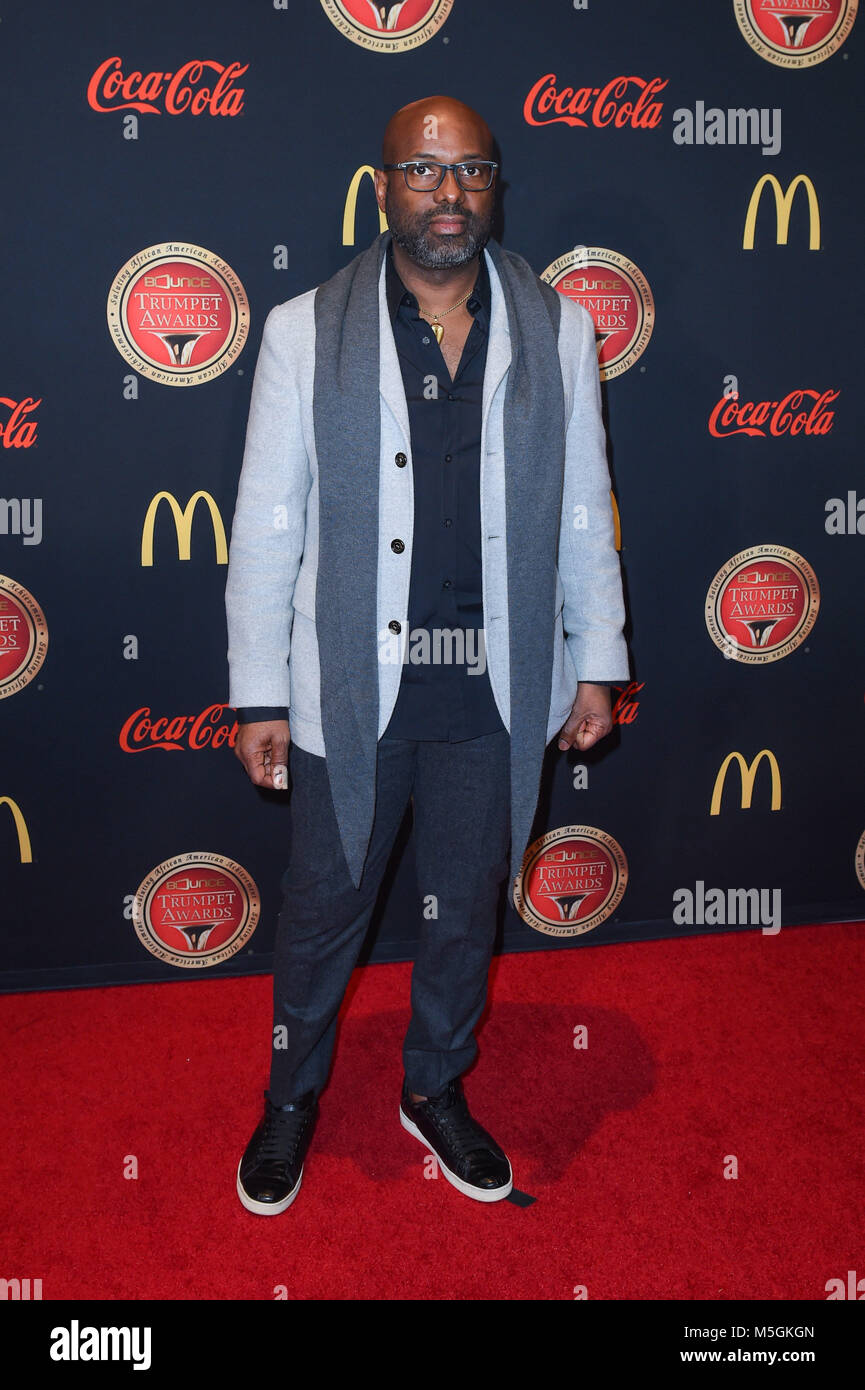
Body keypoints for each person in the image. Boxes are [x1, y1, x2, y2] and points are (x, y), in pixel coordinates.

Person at [224, 95, 629, 1215]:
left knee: (466, 905)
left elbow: (585, 511)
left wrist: (597, 658)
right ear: (383, 187)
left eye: (470, 173)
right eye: (423, 171)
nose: (448, 195)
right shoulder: (305, 330)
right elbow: (268, 522)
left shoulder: (557, 328)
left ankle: (434, 1086)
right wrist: (257, 688)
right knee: (322, 909)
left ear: (496, 186)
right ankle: (291, 1098)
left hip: (495, 685)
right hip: (354, 686)